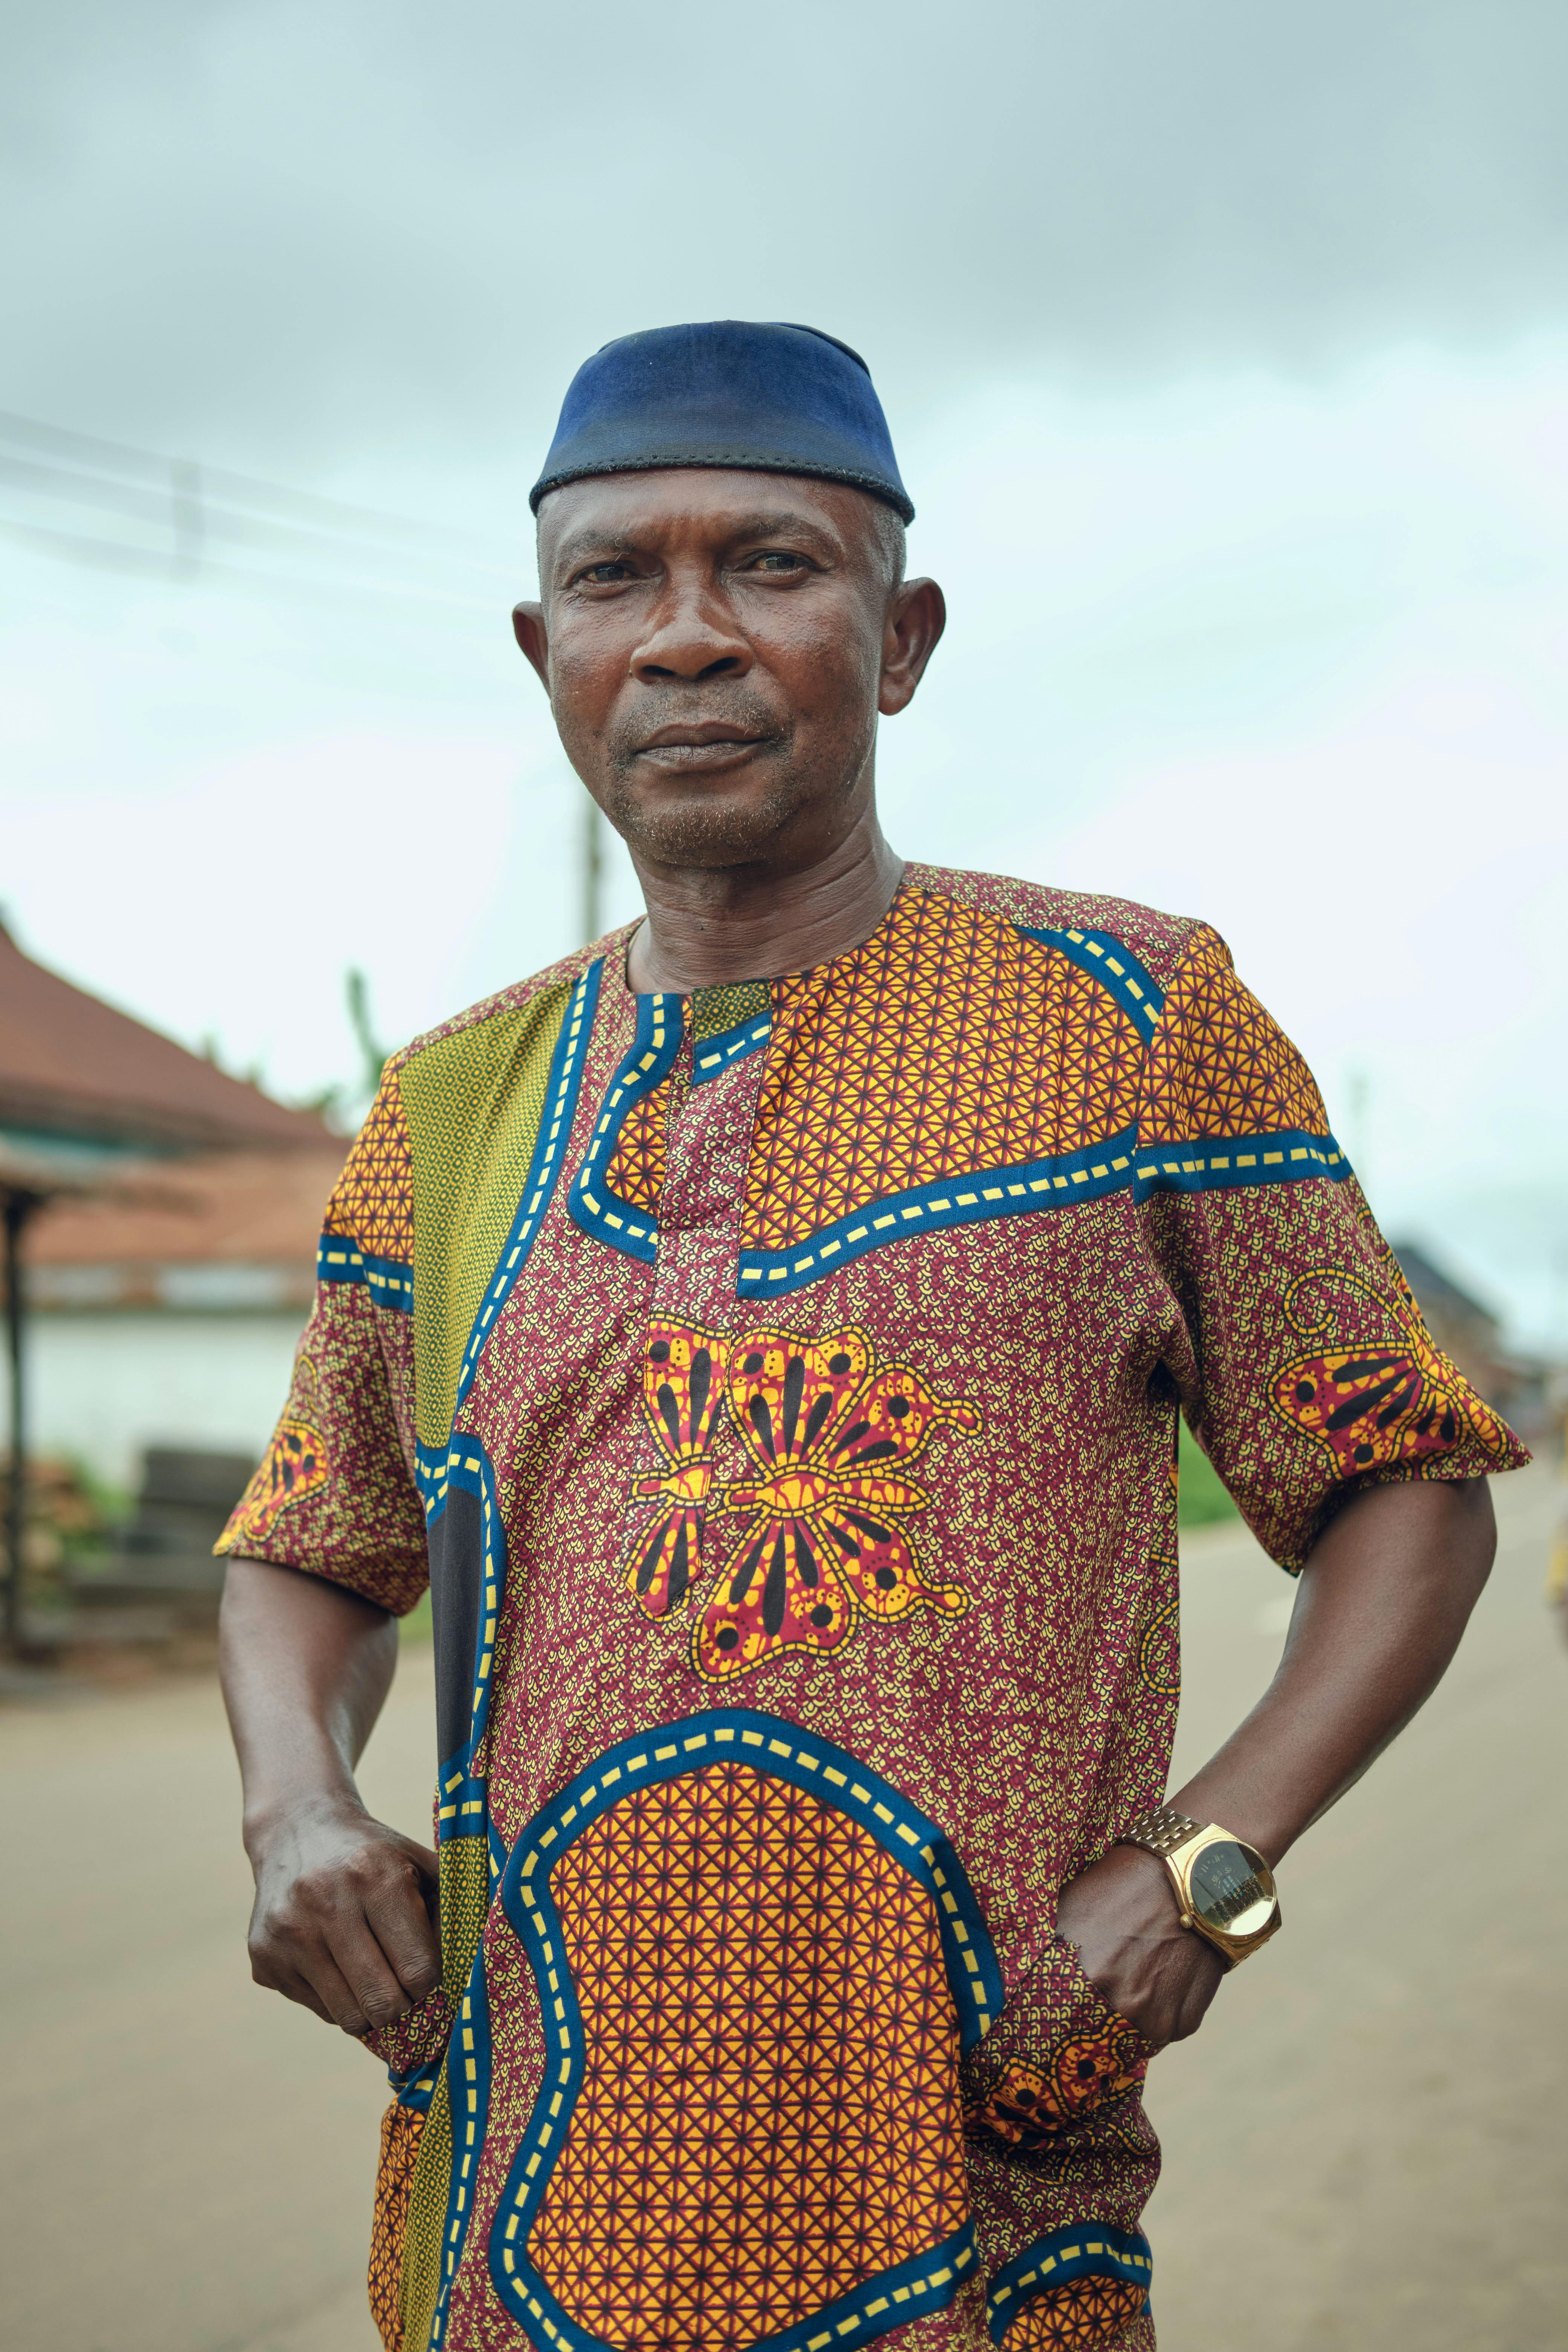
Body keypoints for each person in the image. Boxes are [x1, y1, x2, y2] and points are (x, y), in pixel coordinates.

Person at [217, 321, 1527, 2352]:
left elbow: (1401, 1478)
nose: (686, 637)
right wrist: (297, 1807)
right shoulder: (451, 1106)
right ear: (542, 652)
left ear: (902, 638)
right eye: (614, 581)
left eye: (771, 565)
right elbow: (315, 1541)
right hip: (522, 2201)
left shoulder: (1137, 1017)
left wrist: (1207, 1864)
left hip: (977, 2193)